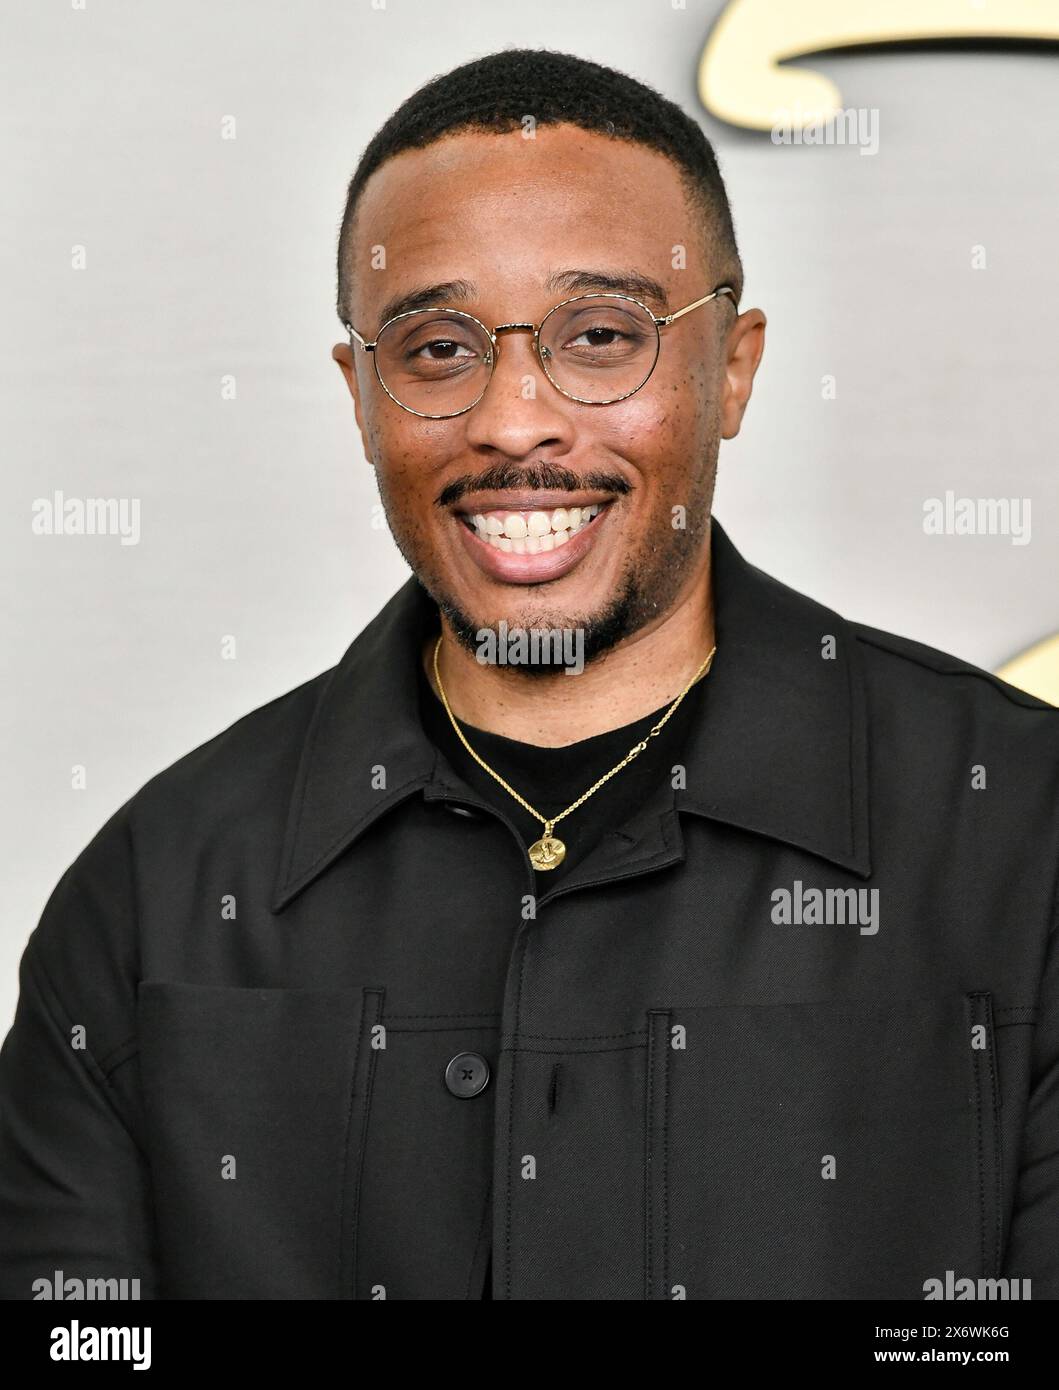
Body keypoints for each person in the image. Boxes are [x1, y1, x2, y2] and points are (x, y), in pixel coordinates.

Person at [2, 47, 1057, 1302]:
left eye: (601, 337)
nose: (514, 422)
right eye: (439, 349)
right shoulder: (156, 894)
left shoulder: (1018, 836)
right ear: (360, 395)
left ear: (733, 368)